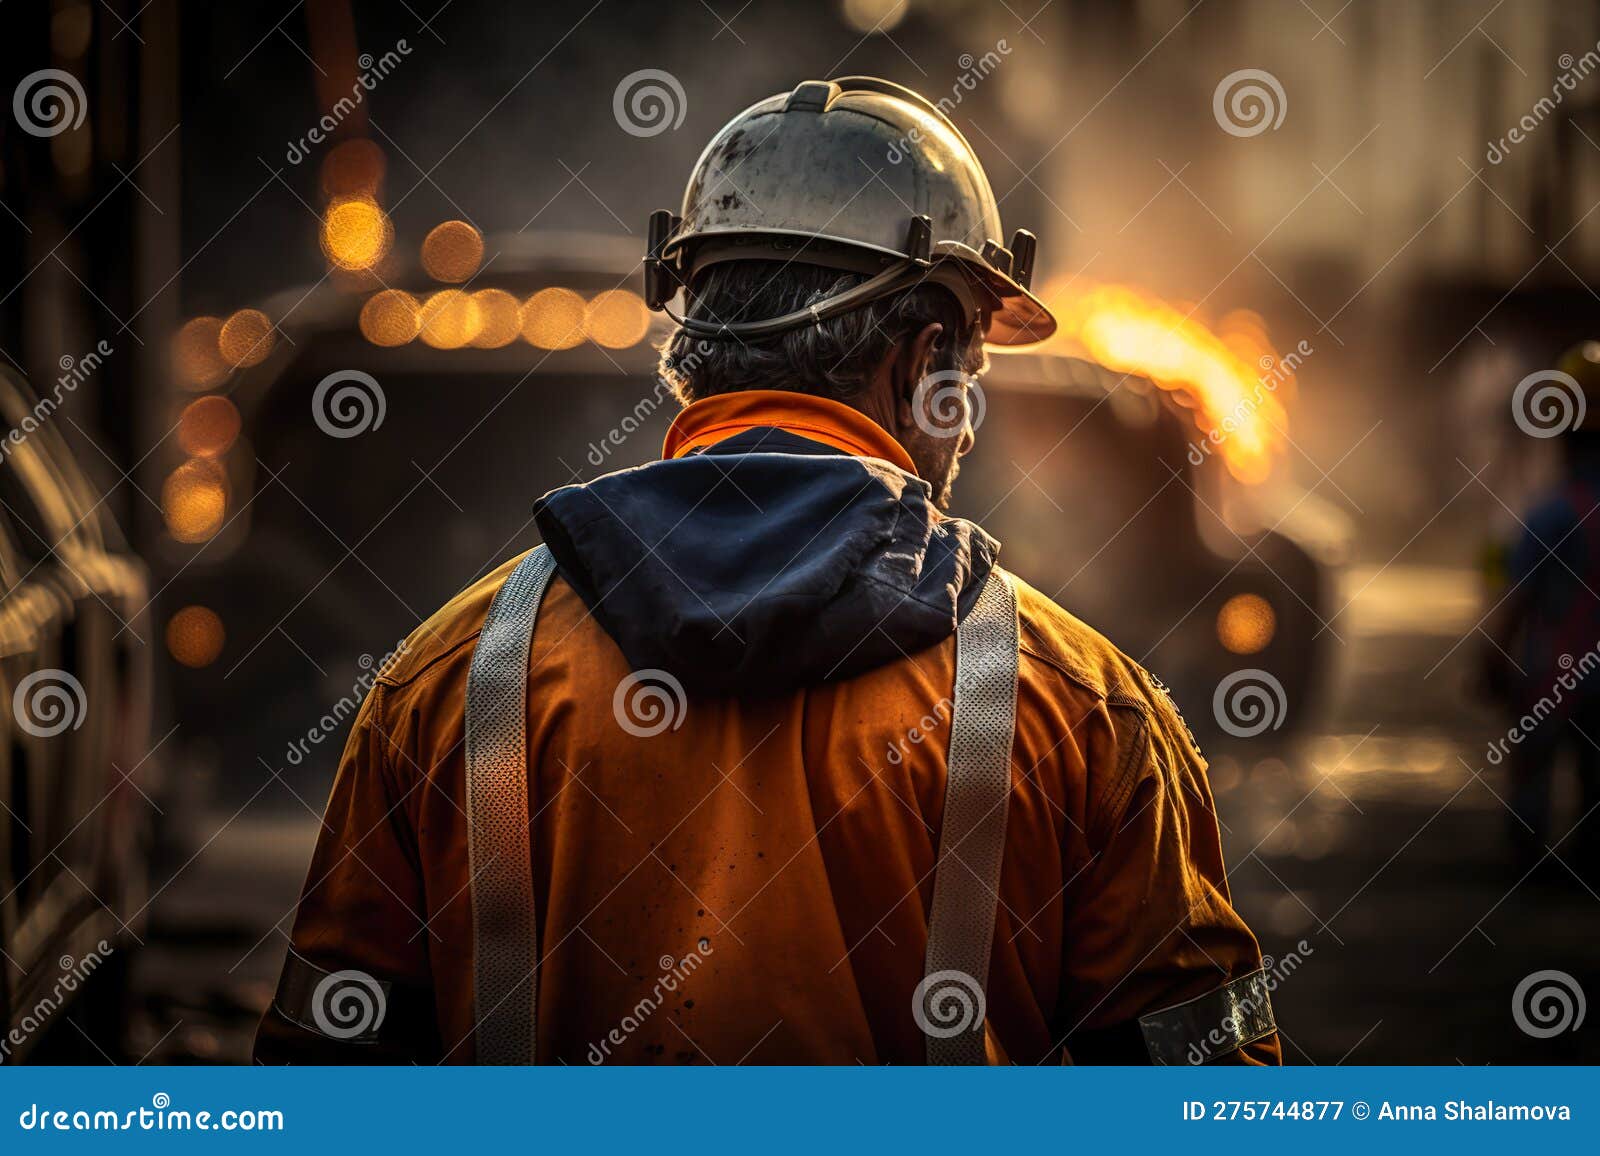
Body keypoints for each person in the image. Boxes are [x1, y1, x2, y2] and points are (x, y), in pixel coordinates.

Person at [255, 77, 1278, 1065]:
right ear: (924, 362)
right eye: (971, 365)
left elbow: (325, 1078)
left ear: (690, 336)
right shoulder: (1083, 711)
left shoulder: (446, 682)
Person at [1484, 341, 1600, 881]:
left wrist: (1489, 661)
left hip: (1550, 676)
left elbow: (1517, 599)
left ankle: (1526, 868)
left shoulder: (1552, 512)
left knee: (1531, 783)